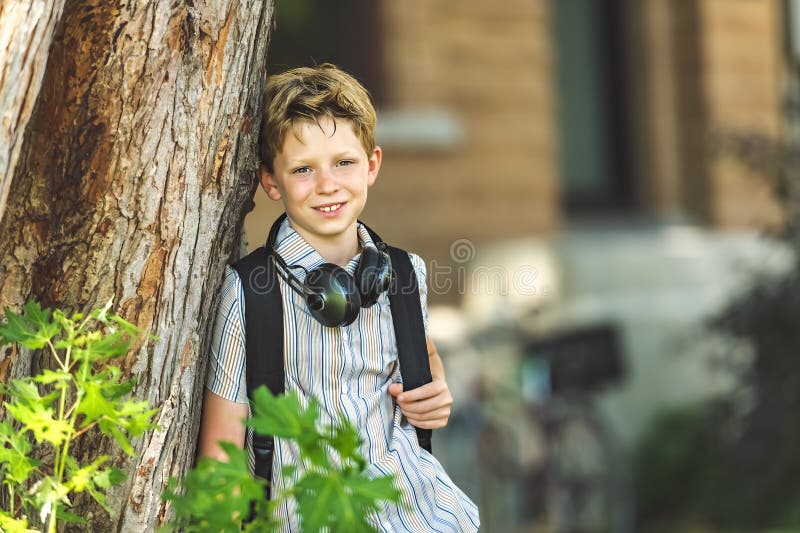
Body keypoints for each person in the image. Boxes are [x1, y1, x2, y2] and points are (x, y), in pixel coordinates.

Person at [197, 63, 479, 531]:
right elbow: (220, 458)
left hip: (418, 516)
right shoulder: (250, 293)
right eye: (303, 169)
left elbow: (421, 363)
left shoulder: (406, 275)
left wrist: (437, 393)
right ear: (271, 181)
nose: (327, 185)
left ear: (372, 165)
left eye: (344, 162)